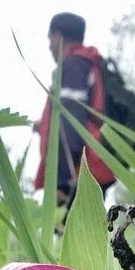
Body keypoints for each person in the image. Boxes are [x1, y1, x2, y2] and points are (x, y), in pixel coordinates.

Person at [34, 12, 117, 206]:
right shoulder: (87, 63)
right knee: (86, 231)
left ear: (59, 37)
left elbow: (69, 123)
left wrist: (63, 181)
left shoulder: (72, 65)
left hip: (79, 171)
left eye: (50, 39)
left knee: (71, 232)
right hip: (91, 165)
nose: (49, 46)